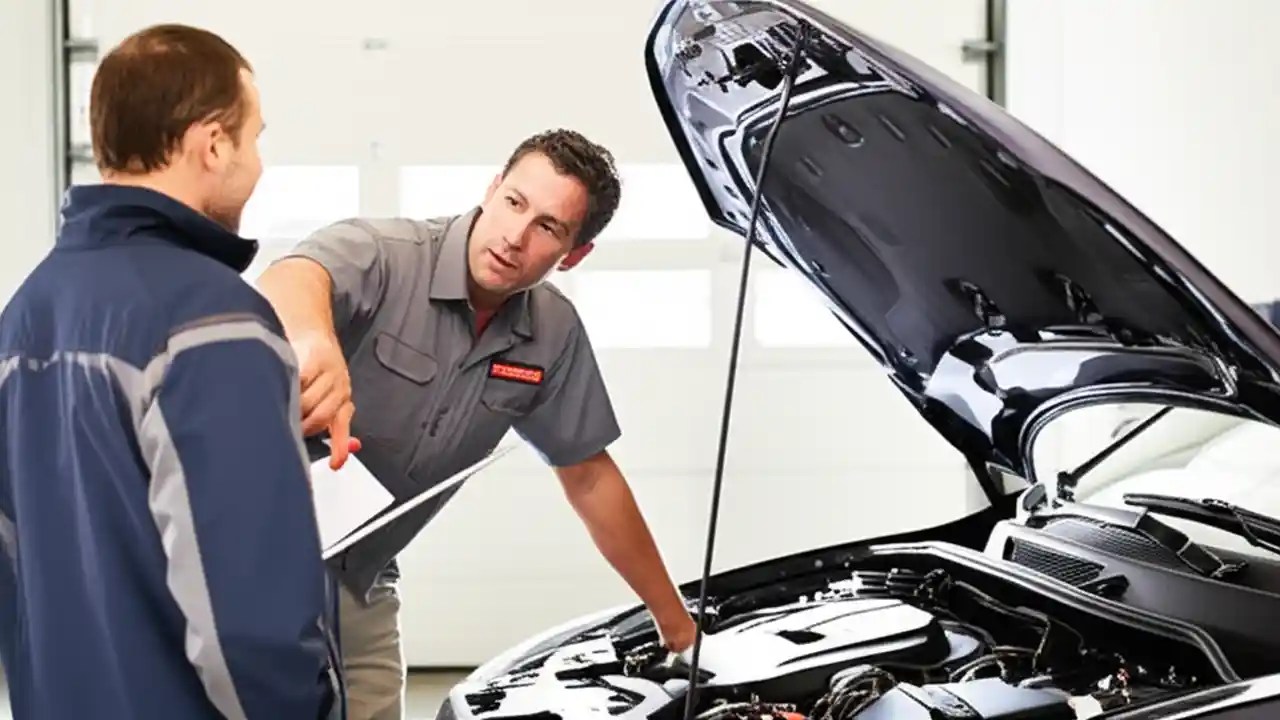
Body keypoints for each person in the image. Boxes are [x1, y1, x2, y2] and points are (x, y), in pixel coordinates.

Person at [256, 129, 699, 719]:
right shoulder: (386, 253)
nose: (515, 237)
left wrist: (677, 626)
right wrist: (314, 337)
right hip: (254, 555)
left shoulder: (551, 335)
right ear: (492, 189)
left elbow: (589, 475)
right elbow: (295, 276)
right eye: (514, 203)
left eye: (548, 226)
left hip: (360, 577)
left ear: (575, 253)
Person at [0, 24, 341, 719]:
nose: (257, 162)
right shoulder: (212, 320)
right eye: (254, 137)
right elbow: (249, 620)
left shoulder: (26, 313)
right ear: (214, 144)